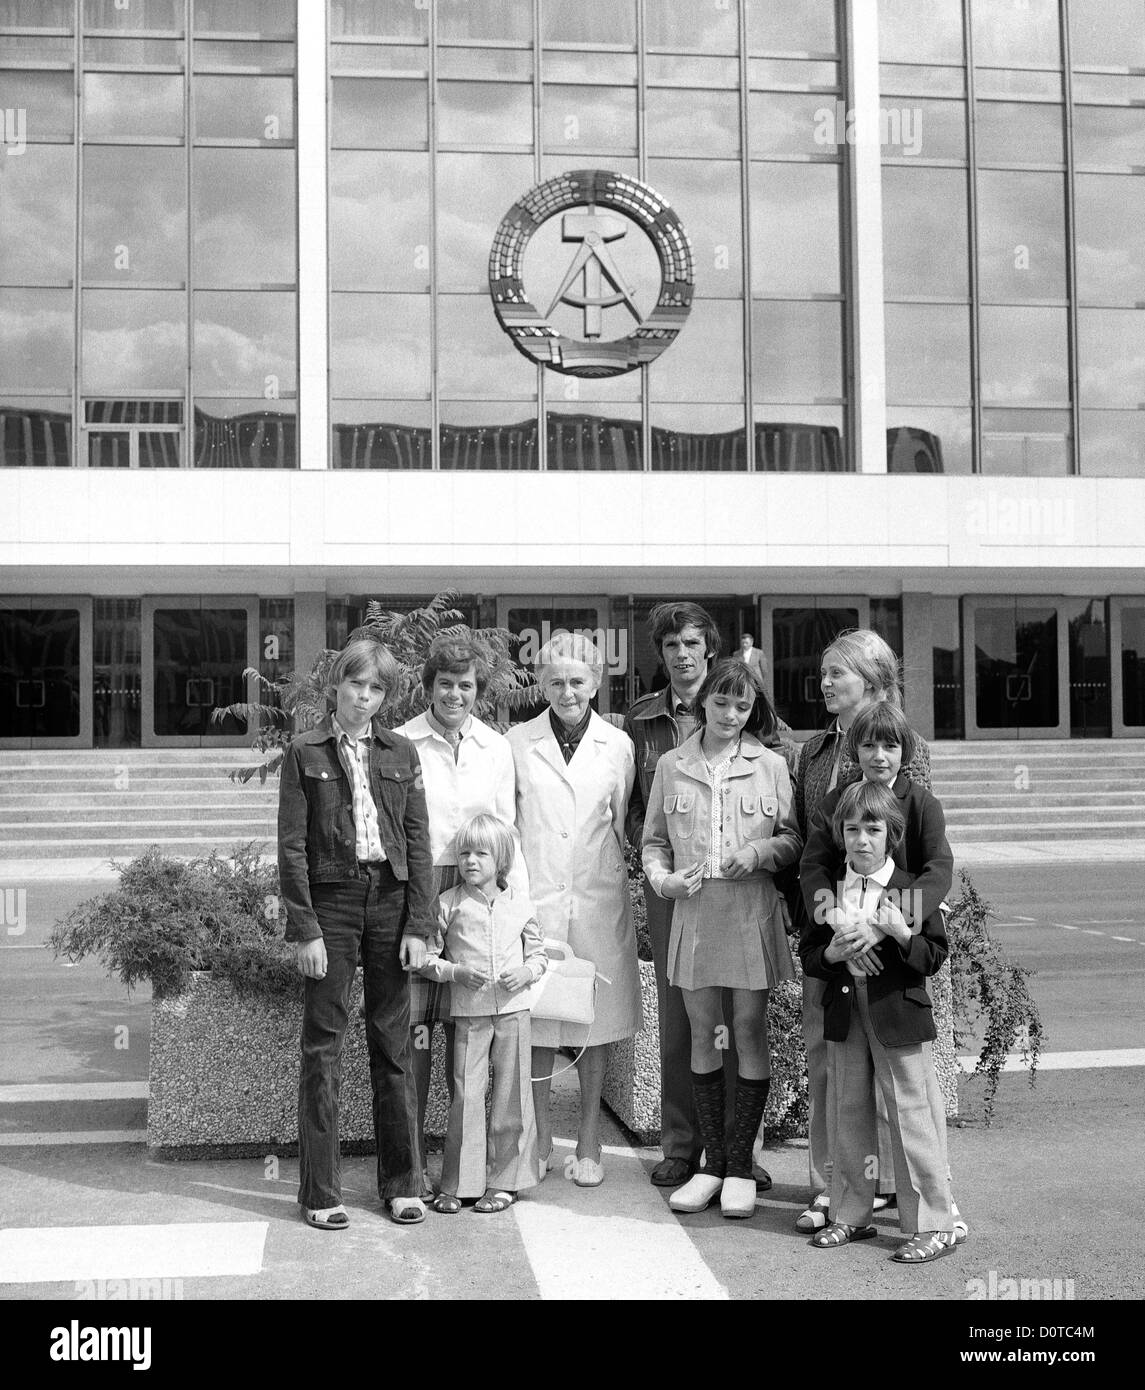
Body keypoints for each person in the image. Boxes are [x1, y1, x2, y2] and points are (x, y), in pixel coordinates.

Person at [277, 638, 435, 1230]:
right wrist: (306, 928)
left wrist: (420, 923)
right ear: (336, 686)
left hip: (391, 902)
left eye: (376, 689)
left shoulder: (402, 752)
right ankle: (321, 1191)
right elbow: (291, 845)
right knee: (323, 1047)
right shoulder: (304, 752)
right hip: (334, 903)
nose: (364, 698)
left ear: (385, 696)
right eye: (355, 686)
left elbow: (418, 842)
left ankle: (402, 1184)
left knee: (393, 1046)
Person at [625, 603, 781, 1191]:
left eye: (692, 643)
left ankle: (740, 1152)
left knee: (742, 1020)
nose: (681, 654)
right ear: (660, 654)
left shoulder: (747, 718)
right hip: (677, 888)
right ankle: (683, 1144)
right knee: (681, 1019)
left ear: (709, 651)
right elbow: (636, 810)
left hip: (741, 898)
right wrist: (660, 868)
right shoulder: (641, 723)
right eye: (670, 645)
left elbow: (776, 791)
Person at [642, 659, 801, 1218]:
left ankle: (739, 1164)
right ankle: (710, 1164)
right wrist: (662, 879)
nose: (732, 714)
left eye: (743, 705)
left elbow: (790, 838)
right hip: (694, 914)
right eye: (721, 703)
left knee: (749, 1031)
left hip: (749, 911)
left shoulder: (772, 765)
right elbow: (654, 841)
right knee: (704, 1034)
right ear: (702, 702)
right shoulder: (671, 763)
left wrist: (758, 853)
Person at [792, 627, 931, 1233]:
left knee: (896, 1078)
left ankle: (900, 1194)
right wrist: (832, 924)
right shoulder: (815, 752)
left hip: (892, 937)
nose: (825, 684)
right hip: (835, 940)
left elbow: (924, 853)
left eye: (837, 674)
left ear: (874, 683)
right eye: (823, 673)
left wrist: (885, 925)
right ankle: (834, 1188)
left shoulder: (905, 747)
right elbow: (814, 852)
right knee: (832, 1067)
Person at [799, 780, 958, 1261]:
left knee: (910, 1116)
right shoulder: (830, 895)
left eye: (873, 829)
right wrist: (832, 953)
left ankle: (932, 1223)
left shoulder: (910, 890)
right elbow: (810, 953)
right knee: (847, 1112)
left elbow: (933, 956)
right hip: (846, 1014)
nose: (861, 840)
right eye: (851, 829)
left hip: (898, 1016)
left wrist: (901, 932)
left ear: (892, 833)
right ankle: (851, 1213)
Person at [507, 631, 643, 1189]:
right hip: (535, 898)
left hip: (596, 897)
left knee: (595, 1020)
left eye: (578, 681)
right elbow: (513, 824)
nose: (567, 692)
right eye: (556, 681)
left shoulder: (618, 745)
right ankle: (539, 1136)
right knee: (538, 1019)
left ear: (596, 682)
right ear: (542, 683)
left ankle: (588, 1138)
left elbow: (618, 822)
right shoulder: (517, 741)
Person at [396, 635, 522, 1186]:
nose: (455, 694)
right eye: (444, 684)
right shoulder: (401, 742)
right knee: (416, 1028)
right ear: (428, 688)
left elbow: (506, 830)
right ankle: (413, 1162)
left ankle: (476, 1165)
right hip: (421, 889)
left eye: (465, 685)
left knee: (470, 1030)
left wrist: (512, 900)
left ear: (479, 692)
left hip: (480, 890)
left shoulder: (496, 747)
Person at [422, 814, 546, 1214]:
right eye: (463, 853)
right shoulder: (448, 904)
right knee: (466, 1096)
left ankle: (506, 1182)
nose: (470, 861)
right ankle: (458, 1183)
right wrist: (454, 971)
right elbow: (425, 958)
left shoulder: (522, 905)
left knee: (512, 1097)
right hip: (469, 1016)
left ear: (502, 859)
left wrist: (527, 972)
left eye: (481, 853)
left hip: (514, 1013)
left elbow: (540, 956)